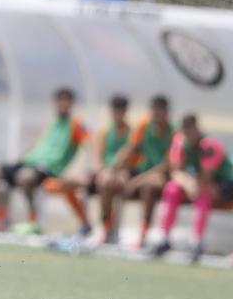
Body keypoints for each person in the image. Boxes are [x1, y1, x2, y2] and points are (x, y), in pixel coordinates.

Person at [0, 87, 86, 233]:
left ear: (71, 103)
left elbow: (89, 143)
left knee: (25, 177)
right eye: (60, 101)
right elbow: (38, 143)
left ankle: (32, 220)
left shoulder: (76, 124)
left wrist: (86, 168)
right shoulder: (51, 121)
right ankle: (1, 216)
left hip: (47, 169)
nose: (62, 105)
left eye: (66, 101)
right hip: (28, 163)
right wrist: (20, 158)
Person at [149, 115, 226, 262]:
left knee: (204, 192)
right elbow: (175, 171)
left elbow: (207, 177)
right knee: (171, 189)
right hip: (194, 183)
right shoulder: (179, 141)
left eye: (191, 130)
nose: (189, 134)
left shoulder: (209, 145)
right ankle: (164, 238)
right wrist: (188, 184)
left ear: (197, 129)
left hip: (223, 183)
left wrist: (192, 185)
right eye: (186, 130)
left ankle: (196, 242)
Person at [64, 94, 134, 244]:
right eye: (115, 111)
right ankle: (85, 223)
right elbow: (96, 157)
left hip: (119, 175)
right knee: (68, 181)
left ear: (125, 112)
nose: (117, 114)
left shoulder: (131, 133)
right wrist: (100, 170)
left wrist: (110, 171)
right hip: (102, 173)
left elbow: (128, 158)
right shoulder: (104, 132)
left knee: (107, 185)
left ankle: (108, 229)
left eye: (120, 111)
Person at [124, 95, 175, 249]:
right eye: (154, 110)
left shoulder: (174, 132)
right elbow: (129, 149)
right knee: (109, 183)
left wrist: (136, 181)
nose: (156, 114)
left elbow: (166, 166)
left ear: (166, 112)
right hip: (142, 173)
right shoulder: (144, 127)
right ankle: (105, 228)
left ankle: (145, 234)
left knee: (150, 186)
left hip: (162, 176)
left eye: (160, 111)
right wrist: (112, 169)